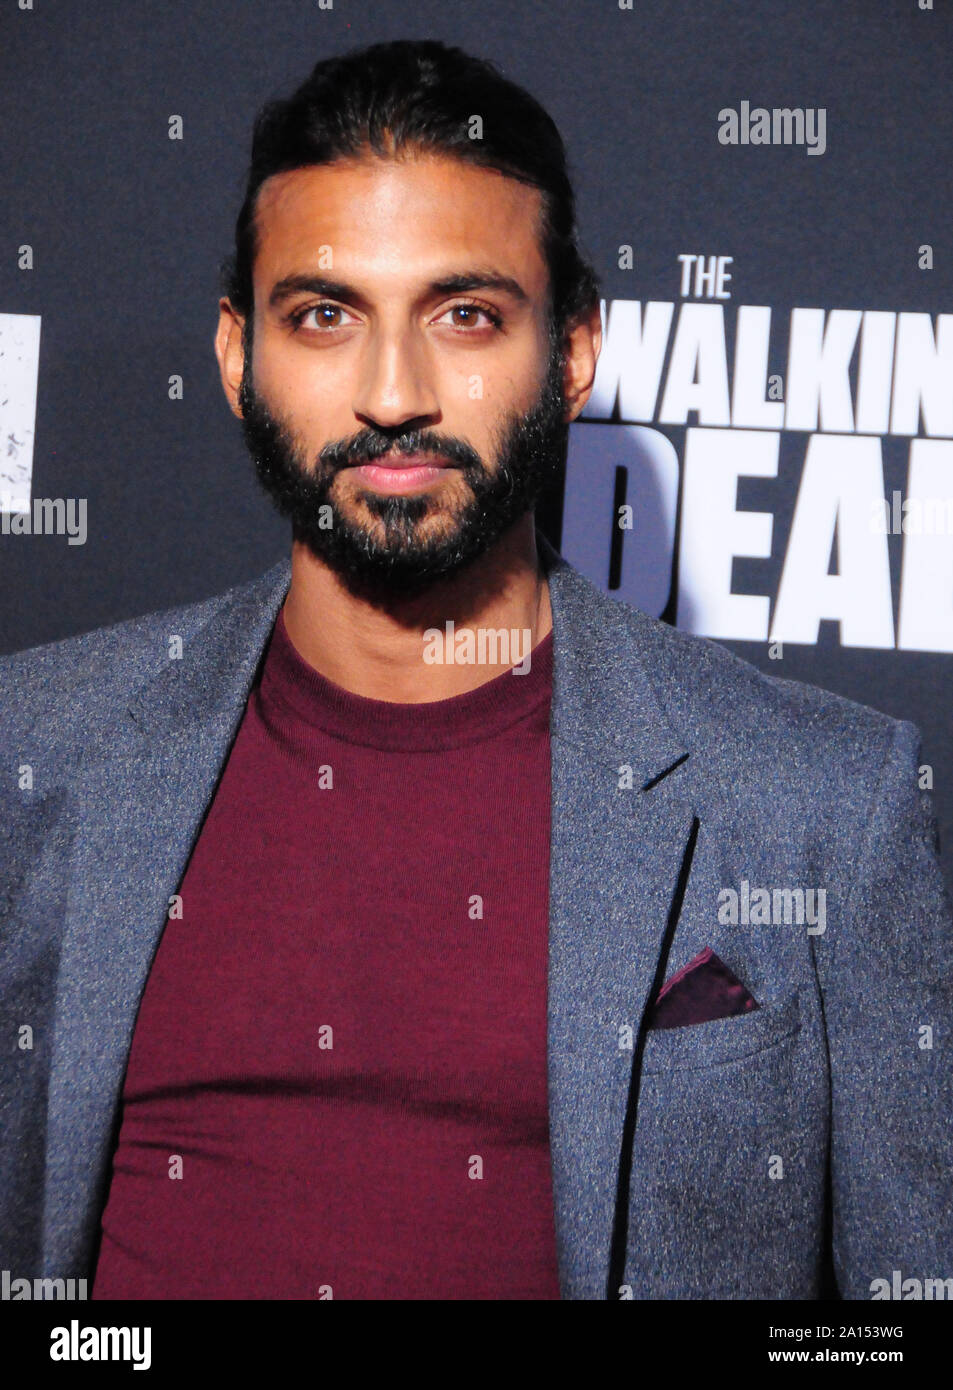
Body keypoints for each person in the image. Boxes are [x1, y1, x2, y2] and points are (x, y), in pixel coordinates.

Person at [1, 38, 951, 1302]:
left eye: (465, 314)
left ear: (569, 354)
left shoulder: (817, 802)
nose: (394, 391)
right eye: (324, 315)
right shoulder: (40, 750)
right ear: (235, 358)